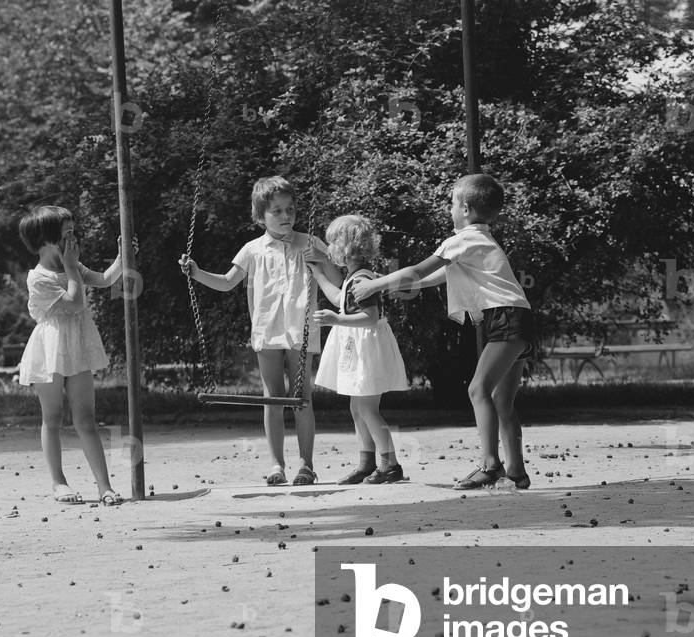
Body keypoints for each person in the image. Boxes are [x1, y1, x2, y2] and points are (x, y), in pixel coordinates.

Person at [351, 174, 535, 490]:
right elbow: (434, 277)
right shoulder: (480, 240)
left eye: (451, 203)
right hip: (519, 317)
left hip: (506, 318)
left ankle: (490, 465)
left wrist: (375, 285)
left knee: (477, 390)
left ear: (465, 209)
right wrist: (392, 284)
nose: (449, 209)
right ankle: (516, 472)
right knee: (501, 400)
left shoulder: (461, 239)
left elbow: (416, 270)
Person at [179, 176, 342, 486]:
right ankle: (277, 464)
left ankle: (306, 465)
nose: (285, 216)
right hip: (267, 329)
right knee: (272, 397)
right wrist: (196, 273)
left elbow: (335, 280)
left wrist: (322, 258)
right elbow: (227, 282)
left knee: (301, 396)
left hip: (300, 328)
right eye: (276, 211)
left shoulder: (310, 243)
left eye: (290, 209)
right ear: (260, 216)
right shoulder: (252, 250)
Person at [18, 205, 127, 505]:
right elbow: (75, 303)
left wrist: (122, 256)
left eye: (73, 231)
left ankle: (104, 486)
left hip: (77, 349)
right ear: (46, 239)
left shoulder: (73, 266)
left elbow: (104, 279)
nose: (73, 238)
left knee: (86, 419)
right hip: (49, 352)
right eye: (66, 233)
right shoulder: (38, 278)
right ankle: (59, 483)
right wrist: (70, 267)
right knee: (52, 418)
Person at [308, 214, 408, 484]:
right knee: (357, 408)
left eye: (333, 243)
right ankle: (367, 463)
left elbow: (371, 317)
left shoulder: (362, 278)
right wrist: (319, 274)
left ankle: (390, 465)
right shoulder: (354, 276)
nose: (330, 249)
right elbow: (340, 298)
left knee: (368, 409)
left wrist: (336, 320)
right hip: (360, 348)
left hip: (368, 350)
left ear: (347, 247)